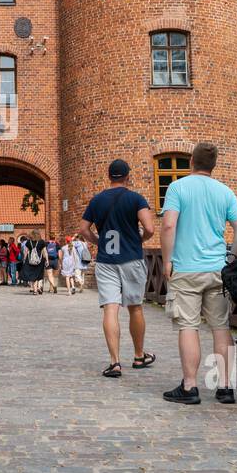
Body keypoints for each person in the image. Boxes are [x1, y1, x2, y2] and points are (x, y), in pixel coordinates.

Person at [160, 141, 237, 406]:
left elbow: (168, 225)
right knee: (220, 327)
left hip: (186, 269)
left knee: (188, 325)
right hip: (217, 269)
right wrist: (230, 257)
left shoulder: (177, 187)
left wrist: (167, 261)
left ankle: (190, 387)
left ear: (192, 163)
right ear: (213, 165)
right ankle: (225, 387)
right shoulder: (225, 191)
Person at [79, 159, 156, 377]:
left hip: (106, 260)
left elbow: (84, 228)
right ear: (127, 176)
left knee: (110, 309)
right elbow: (149, 227)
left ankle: (114, 362)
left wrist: (97, 241)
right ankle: (139, 356)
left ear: (109, 176)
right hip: (131, 258)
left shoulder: (97, 200)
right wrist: (140, 238)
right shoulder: (135, 198)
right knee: (135, 307)